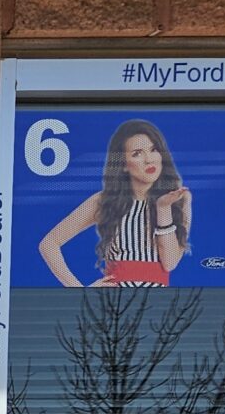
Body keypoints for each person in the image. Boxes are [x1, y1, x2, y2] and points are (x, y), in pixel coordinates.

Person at [36, 118, 192, 288]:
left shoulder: (179, 199)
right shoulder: (103, 201)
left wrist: (163, 208)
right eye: (137, 153)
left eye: (153, 149)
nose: (149, 159)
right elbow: (49, 243)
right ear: (124, 165)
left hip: (159, 305)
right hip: (113, 303)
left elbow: (169, 263)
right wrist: (79, 291)